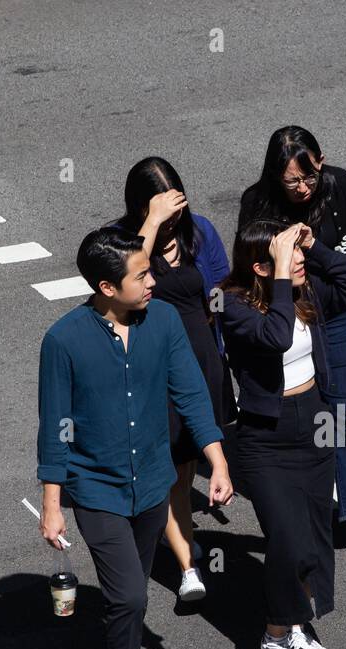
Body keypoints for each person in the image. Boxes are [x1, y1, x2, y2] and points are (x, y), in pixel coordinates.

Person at [36, 227, 234, 649]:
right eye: (141, 275)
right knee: (129, 598)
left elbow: (191, 393)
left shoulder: (164, 321)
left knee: (129, 598)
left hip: (151, 483)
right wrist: (52, 503)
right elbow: (56, 427)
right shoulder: (64, 341)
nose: (152, 282)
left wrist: (216, 459)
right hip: (95, 490)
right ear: (106, 286)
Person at [220, 219, 346, 649]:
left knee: (311, 536)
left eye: (298, 253)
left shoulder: (305, 291)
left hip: (314, 422)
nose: (300, 260)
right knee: (285, 535)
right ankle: (274, 636)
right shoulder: (233, 306)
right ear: (261, 267)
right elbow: (276, 337)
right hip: (265, 437)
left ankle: (299, 623)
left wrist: (314, 247)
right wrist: (285, 276)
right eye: (288, 255)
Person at [238, 126, 346, 555]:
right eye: (292, 180)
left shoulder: (341, 184)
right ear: (276, 175)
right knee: (300, 405)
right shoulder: (256, 203)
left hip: (331, 311)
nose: (303, 188)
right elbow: (247, 264)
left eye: (309, 177)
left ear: (321, 161)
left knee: (345, 406)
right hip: (286, 318)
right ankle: (291, 488)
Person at [113, 157, 237, 602]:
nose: (174, 219)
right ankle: (188, 568)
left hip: (200, 360)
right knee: (167, 469)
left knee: (184, 469)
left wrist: (225, 350)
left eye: (177, 208)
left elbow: (223, 289)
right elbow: (124, 284)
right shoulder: (125, 241)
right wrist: (152, 222)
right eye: (164, 209)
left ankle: (174, 532)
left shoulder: (198, 231)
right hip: (151, 369)